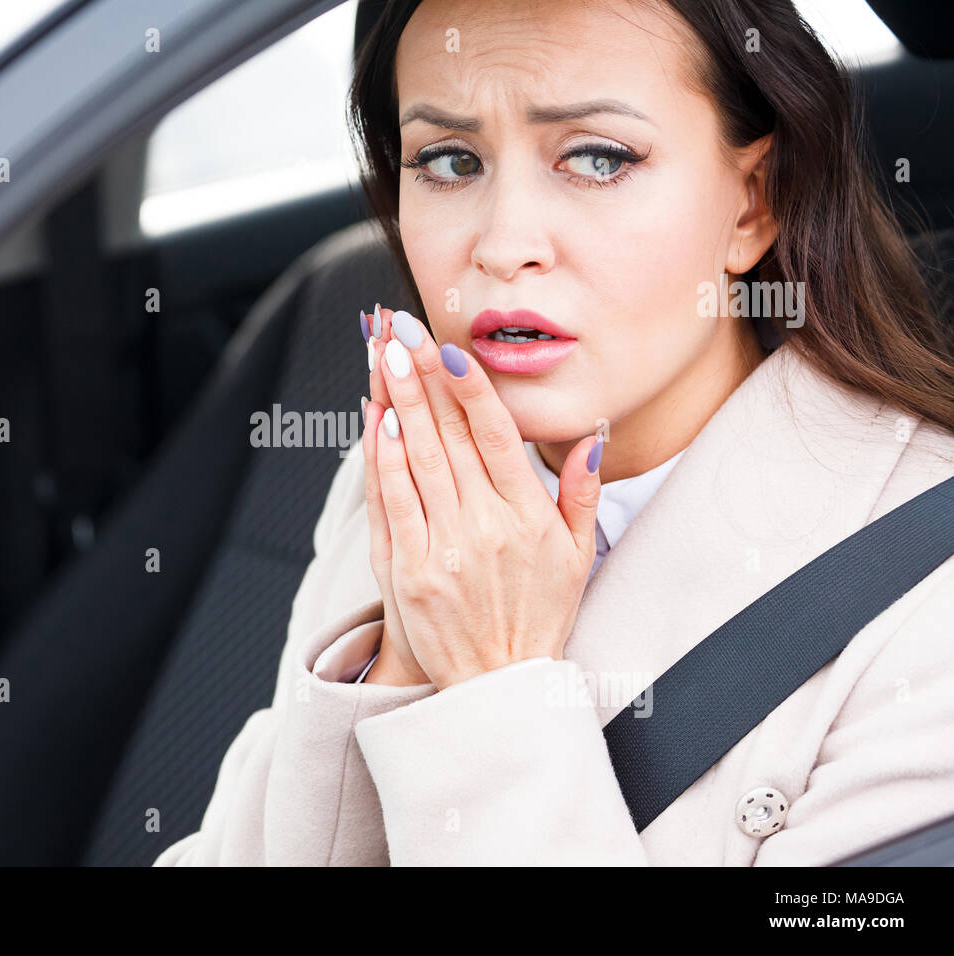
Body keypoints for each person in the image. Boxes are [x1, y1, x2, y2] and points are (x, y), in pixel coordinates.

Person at [155, 0, 954, 865]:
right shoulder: (406, 479)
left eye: (598, 158)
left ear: (754, 203)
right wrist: (399, 666)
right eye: (449, 160)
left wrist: (493, 688)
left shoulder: (925, 605)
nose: (503, 244)